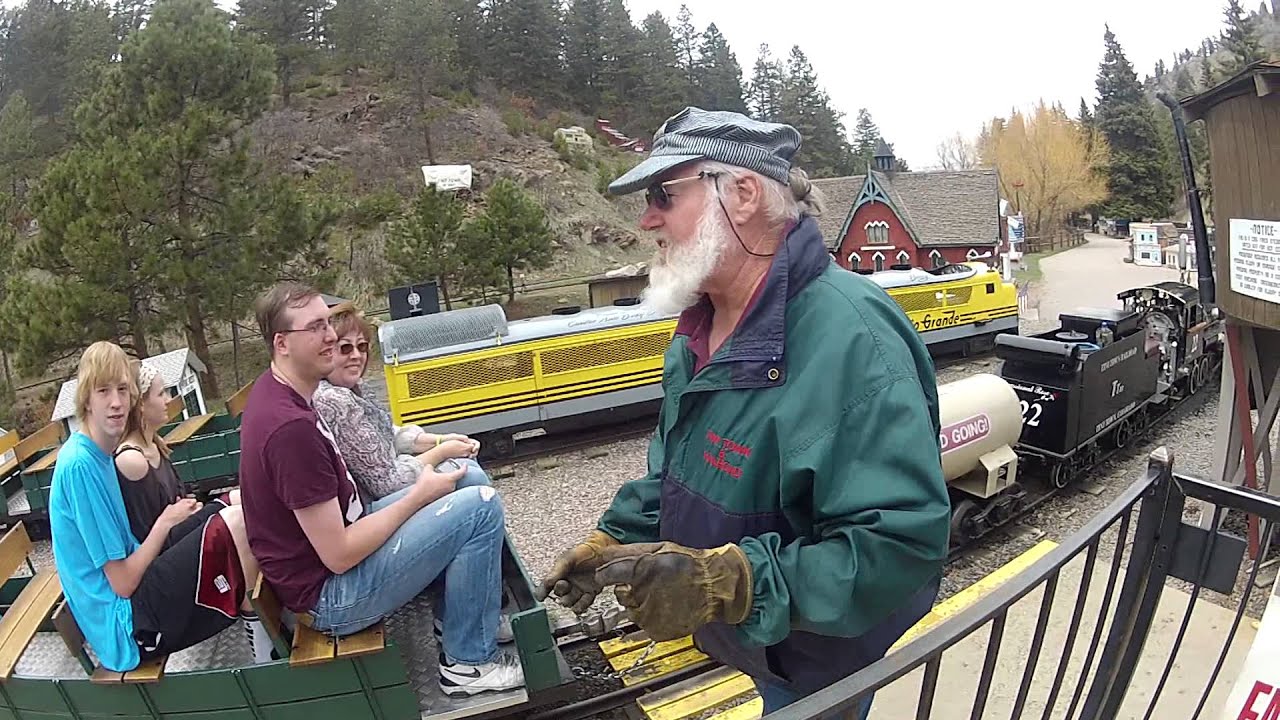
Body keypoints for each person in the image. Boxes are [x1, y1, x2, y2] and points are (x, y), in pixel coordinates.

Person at [535, 107, 952, 719]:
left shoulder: (853, 340)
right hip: (748, 641)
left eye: (663, 194)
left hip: (811, 661)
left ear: (744, 193)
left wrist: (735, 583)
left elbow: (899, 548)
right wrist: (617, 539)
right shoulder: (699, 328)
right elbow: (678, 471)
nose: (647, 219)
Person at [237, 282, 524, 697]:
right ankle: (468, 665)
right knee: (480, 506)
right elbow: (338, 556)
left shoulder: (284, 392)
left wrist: (426, 479)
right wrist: (418, 496)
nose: (330, 336)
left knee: (467, 477)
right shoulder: (290, 430)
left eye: (327, 323)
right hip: (332, 597)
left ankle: (459, 619)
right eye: (315, 327)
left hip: (339, 549)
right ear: (282, 343)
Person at [50, 341, 263, 673]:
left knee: (231, 506)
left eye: (123, 389)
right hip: (126, 627)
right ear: (86, 400)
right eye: (103, 390)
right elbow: (122, 583)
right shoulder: (81, 466)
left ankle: (270, 614)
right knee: (235, 525)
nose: (116, 402)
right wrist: (164, 525)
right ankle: (266, 654)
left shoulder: (100, 455)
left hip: (133, 593)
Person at [309, 300, 514, 645]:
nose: (356, 355)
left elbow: (392, 435)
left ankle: (463, 613)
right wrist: (442, 453)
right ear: (326, 350)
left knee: (468, 475)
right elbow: (386, 479)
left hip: (368, 508)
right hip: (368, 515)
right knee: (473, 488)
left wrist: (439, 438)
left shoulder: (351, 391)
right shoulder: (333, 401)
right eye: (345, 348)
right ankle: (469, 639)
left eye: (362, 347)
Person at [112, 359, 274, 663]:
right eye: (160, 394)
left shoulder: (154, 446)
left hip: (172, 538)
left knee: (242, 498)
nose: (168, 402)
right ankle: (262, 640)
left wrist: (189, 512)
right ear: (140, 406)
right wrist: (185, 517)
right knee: (236, 521)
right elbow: (147, 533)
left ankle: (273, 595)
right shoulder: (131, 461)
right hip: (156, 563)